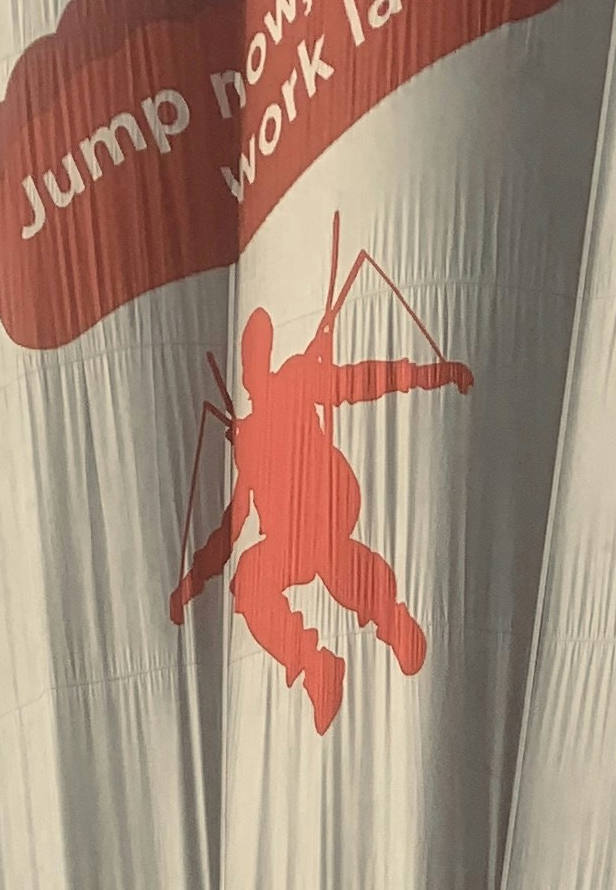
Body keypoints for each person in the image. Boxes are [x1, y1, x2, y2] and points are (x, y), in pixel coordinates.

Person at [169, 296, 471, 734]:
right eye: (247, 360)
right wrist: (191, 583)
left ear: (268, 355)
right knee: (252, 579)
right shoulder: (250, 438)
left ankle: (390, 617)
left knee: (336, 559)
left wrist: (430, 374)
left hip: (325, 515)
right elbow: (233, 524)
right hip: (290, 540)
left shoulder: (295, 380)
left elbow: (361, 380)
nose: (252, 368)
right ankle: (316, 666)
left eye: (258, 354)